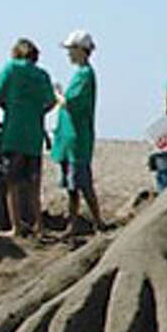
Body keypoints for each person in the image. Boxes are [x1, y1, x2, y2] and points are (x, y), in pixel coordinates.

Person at [0, 38, 56, 238]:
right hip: (34, 135)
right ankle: (39, 224)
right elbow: (51, 101)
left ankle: (16, 226)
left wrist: (8, 109)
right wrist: (38, 112)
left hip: (14, 133)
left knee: (12, 184)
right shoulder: (42, 75)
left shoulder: (11, 69)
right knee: (33, 185)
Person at [51, 29, 104, 240]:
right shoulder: (80, 74)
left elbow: (70, 103)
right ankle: (74, 223)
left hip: (77, 138)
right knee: (73, 186)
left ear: (81, 51)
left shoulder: (84, 75)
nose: (69, 54)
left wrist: (56, 93)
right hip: (69, 137)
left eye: (71, 50)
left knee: (82, 183)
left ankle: (97, 221)